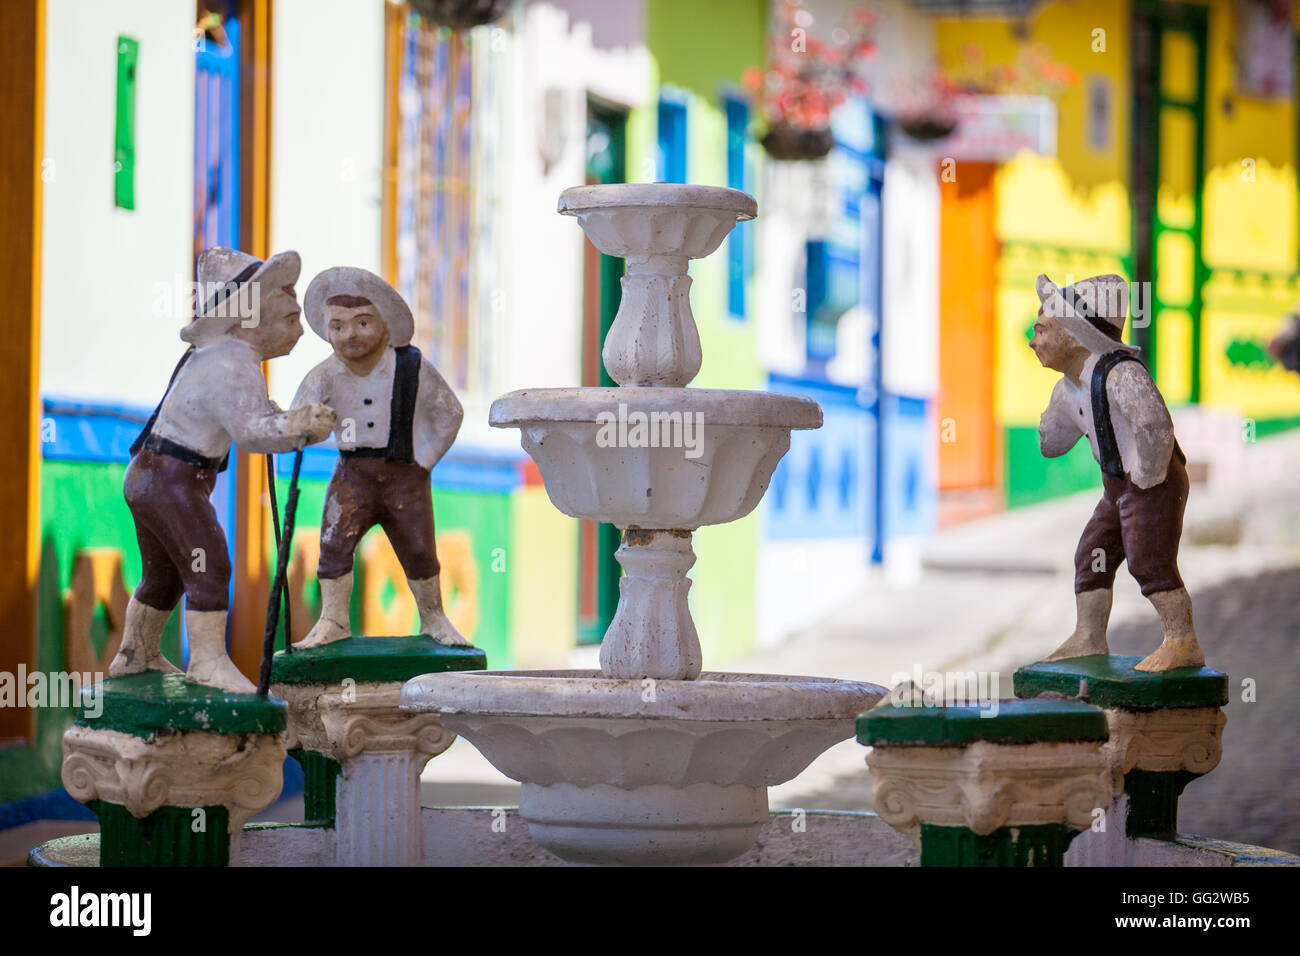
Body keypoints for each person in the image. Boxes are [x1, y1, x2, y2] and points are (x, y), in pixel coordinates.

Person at [109, 248, 336, 693]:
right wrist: (294, 425)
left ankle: (134, 654)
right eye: (284, 301)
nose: (295, 312)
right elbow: (251, 433)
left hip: (151, 475)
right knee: (208, 564)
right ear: (246, 317)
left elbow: (241, 417)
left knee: (164, 573)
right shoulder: (232, 363)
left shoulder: (221, 358)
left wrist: (280, 420)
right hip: (171, 478)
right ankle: (208, 663)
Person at [1030, 273, 1203, 673]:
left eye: (1042, 330)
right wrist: (1048, 430)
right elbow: (1053, 444)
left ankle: (1182, 640)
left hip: (1154, 479)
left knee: (1148, 558)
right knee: (1093, 552)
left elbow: (1154, 425)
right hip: (1117, 486)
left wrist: (1145, 477)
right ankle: (1089, 636)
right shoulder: (1067, 391)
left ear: (1074, 336)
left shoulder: (1122, 374)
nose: (1033, 340)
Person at [291, 266, 470, 648]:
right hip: (352, 472)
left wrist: (424, 459)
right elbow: (298, 417)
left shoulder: (410, 368)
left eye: (362, 323)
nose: (349, 335)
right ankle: (334, 619)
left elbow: (449, 412)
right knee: (335, 542)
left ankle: (434, 618)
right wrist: (308, 423)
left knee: (419, 545)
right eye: (337, 327)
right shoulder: (325, 375)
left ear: (384, 324)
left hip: (405, 473)